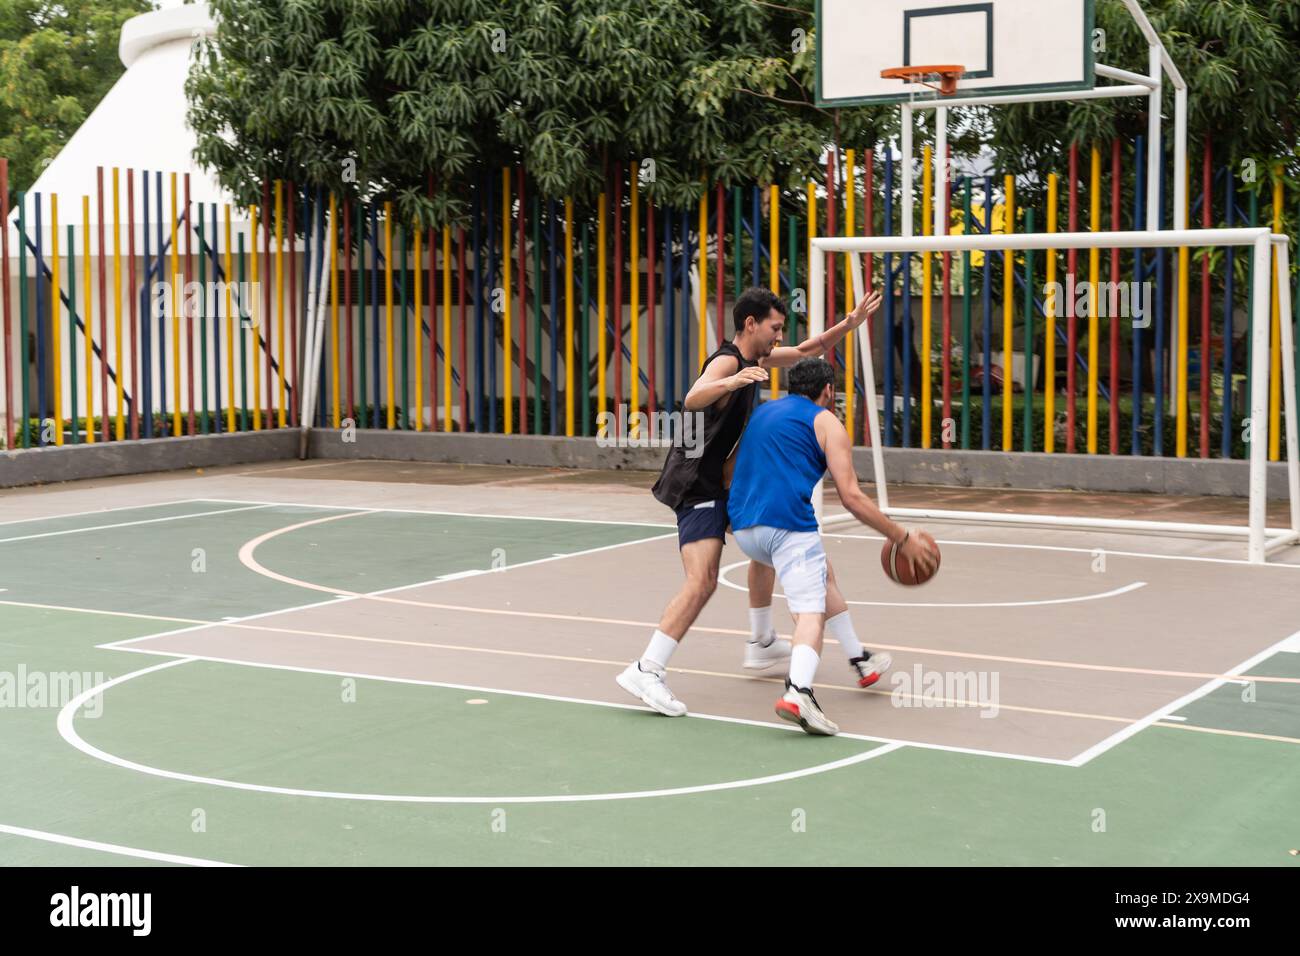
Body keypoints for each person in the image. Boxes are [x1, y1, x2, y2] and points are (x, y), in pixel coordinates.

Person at [616, 286, 892, 716]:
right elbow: (692, 397)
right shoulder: (730, 359)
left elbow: (807, 348)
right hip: (698, 484)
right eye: (774, 328)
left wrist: (850, 324)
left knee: (773, 539)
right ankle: (647, 668)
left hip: (724, 484)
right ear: (750, 324)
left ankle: (762, 641)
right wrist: (731, 379)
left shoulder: (758, 359)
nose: (779, 337)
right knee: (703, 580)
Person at [727, 357, 937, 735]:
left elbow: (732, 463)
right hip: (787, 527)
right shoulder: (826, 422)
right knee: (809, 614)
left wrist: (732, 513)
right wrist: (901, 538)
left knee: (820, 574)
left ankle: (854, 657)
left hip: (744, 527)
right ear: (828, 391)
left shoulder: (762, 413)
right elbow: (851, 497)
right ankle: (799, 692)